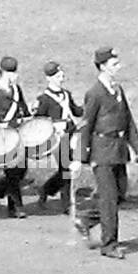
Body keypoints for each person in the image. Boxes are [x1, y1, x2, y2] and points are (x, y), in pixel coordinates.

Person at [74, 47, 138, 260]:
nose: (118, 67)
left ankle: (87, 220)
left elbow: (128, 119)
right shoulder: (94, 93)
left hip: (118, 150)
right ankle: (109, 245)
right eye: (114, 64)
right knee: (109, 199)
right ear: (103, 66)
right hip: (101, 152)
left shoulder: (118, 90)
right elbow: (85, 126)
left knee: (120, 194)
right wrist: (81, 158)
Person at [31, 61, 82, 212]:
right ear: (49, 78)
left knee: (69, 168)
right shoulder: (44, 99)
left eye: (61, 75)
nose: (61, 78)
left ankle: (47, 190)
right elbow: (39, 121)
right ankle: (66, 203)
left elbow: (76, 111)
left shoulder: (66, 94)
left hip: (71, 134)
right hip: (56, 137)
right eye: (58, 76)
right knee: (65, 168)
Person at [0, 56, 29, 217]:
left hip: (17, 135)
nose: (13, 76)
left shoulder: (17, 91)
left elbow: (24, 110)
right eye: (9, 73)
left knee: (21, 170)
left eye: (14, 72)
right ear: (1, 73)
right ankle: (16, 207)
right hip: (3, 137)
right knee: (12, 171)